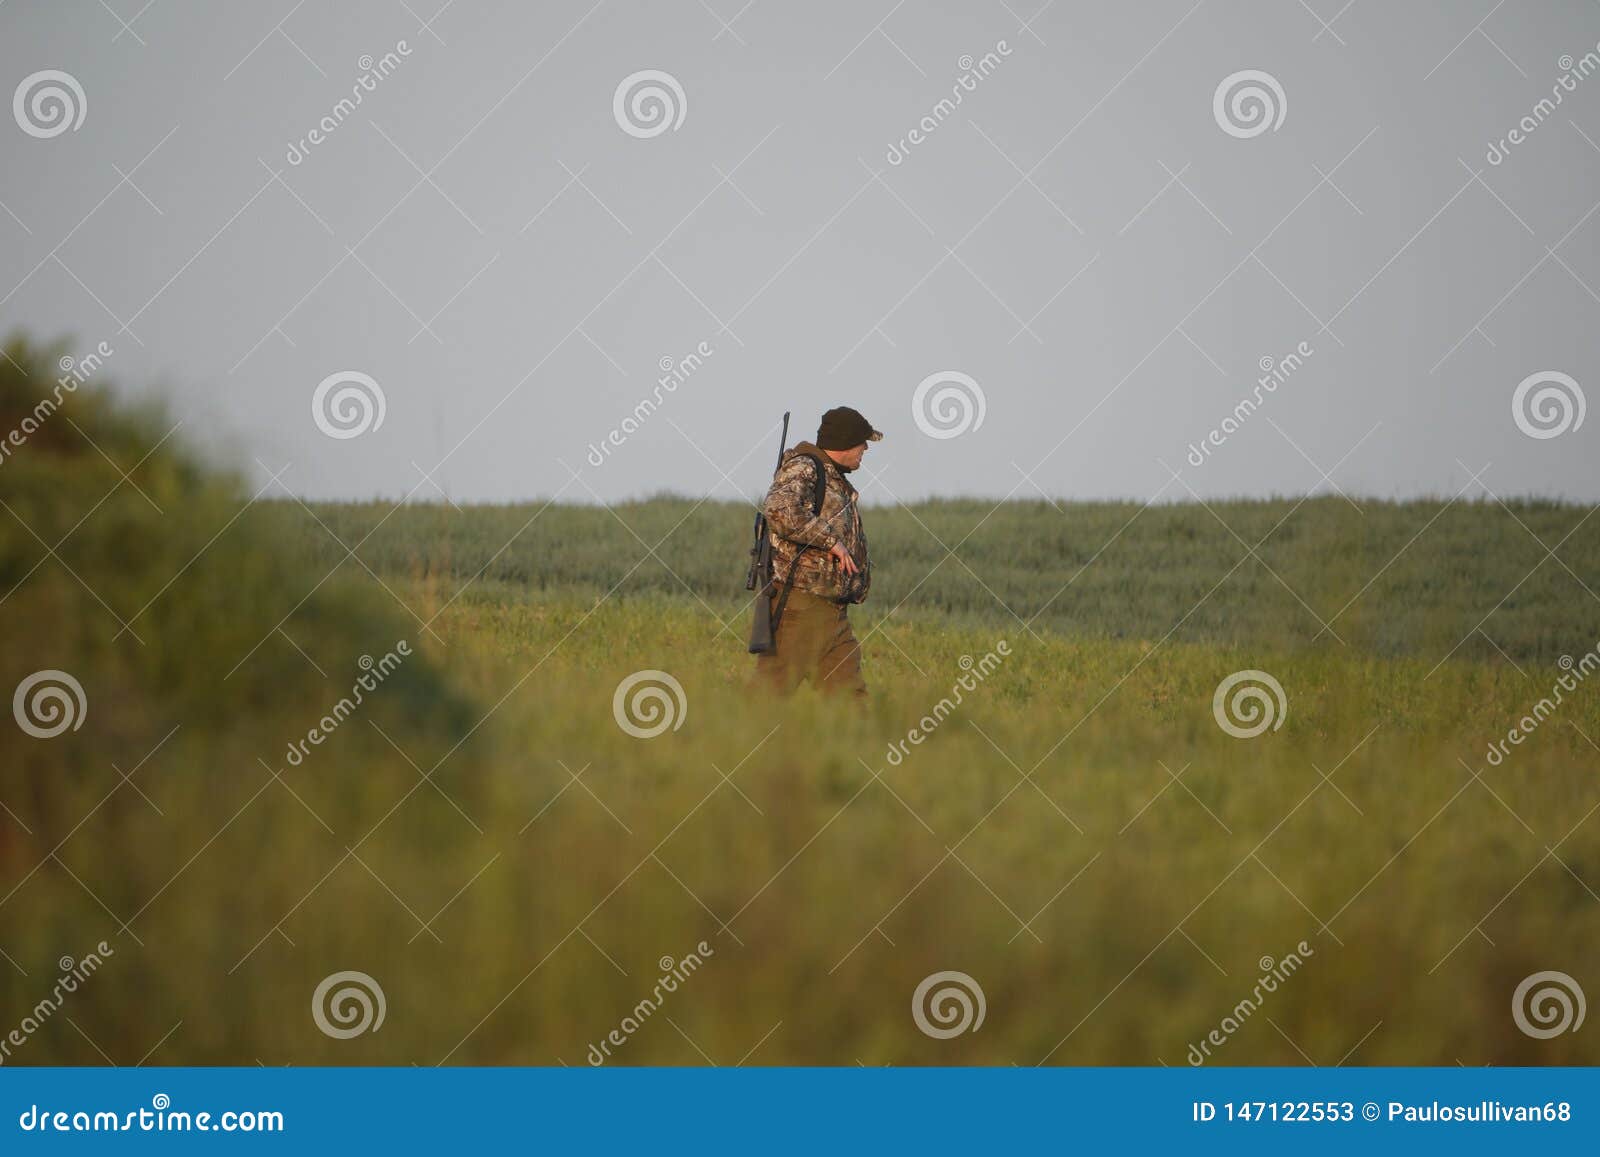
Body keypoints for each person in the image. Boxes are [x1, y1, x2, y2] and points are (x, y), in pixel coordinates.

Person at [753, 406, 881, 698]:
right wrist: (831, 542)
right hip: (801, 608)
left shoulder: (831, 476)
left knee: (851, 704)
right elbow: (779, 509)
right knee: (765, 702)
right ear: (845, 441)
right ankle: (711, 739)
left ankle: (861, 744)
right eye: (862, 442)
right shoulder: (806, 467)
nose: (865, 449)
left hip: (831, 612)